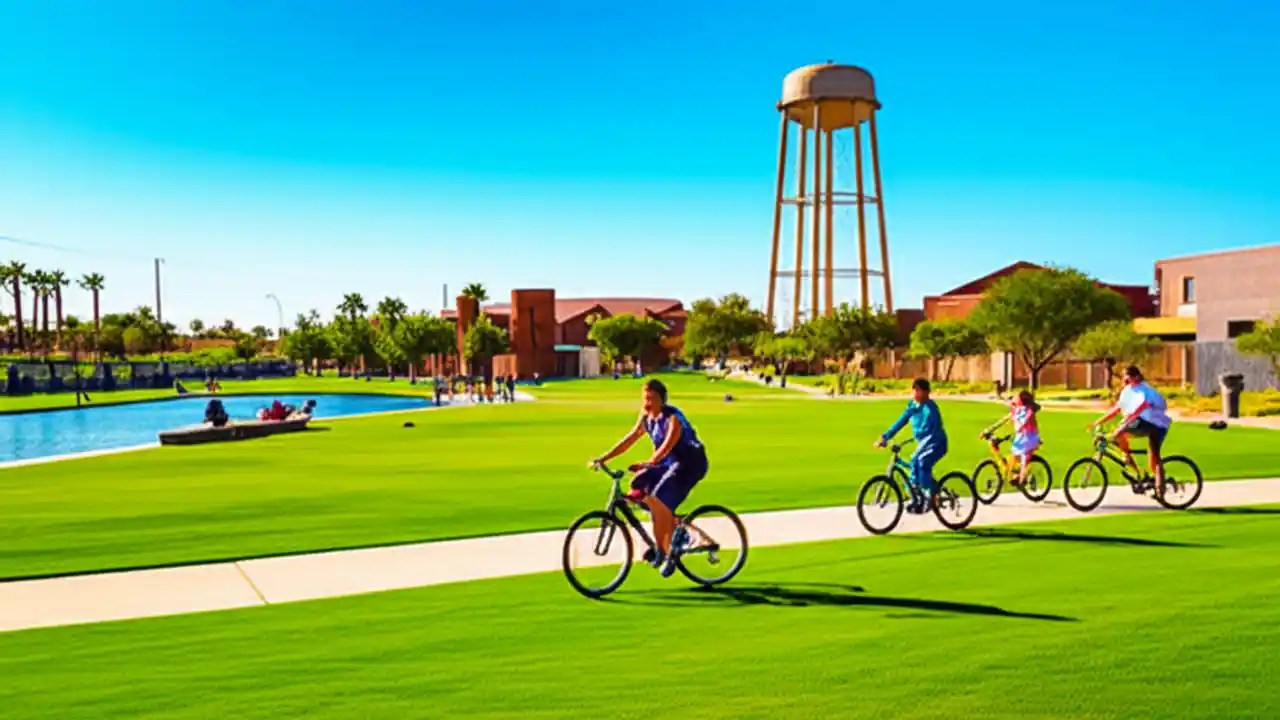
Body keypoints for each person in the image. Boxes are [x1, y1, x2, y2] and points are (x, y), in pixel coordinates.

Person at [590, 378, 709, 578]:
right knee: (639, 484)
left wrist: (650, 461)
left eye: (651, 398)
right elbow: (630, 439)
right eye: (644, 397)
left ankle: (666, 553)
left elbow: (668, 445)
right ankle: (676, 529)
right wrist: (604, 458)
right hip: (668, 464)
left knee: (658, 498)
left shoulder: (673, 418)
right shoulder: (647, 417)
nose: (647, 402)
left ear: (662, 400)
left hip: (690, 465)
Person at [1091, 365, 1173, 494]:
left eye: (1128, 377)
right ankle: (1131, 464)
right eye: (1124, 377)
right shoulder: (1127, 391)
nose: (1125, 380)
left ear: (1137, 377)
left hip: (1155, 425)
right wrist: (1098, 421)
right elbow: (1117, 408)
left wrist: (1122, 427)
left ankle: (1160, 489)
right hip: (1139, 422)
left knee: (1154, 459)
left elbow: (1137, 412)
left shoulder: (1146, 391)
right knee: (1119, 434)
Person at [875, 378, 948, 514]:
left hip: (937, 443)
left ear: (925, 392)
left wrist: (919, 440)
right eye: (914, 390)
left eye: (918, 391)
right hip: (924, 443)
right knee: (916, 464)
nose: (915, 393)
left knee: (920, 461)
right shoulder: (913, 406)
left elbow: (931, 432)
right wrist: (885, 436)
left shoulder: (930, 409)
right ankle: (917, 496)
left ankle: (929, 497)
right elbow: (901, 421)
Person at [981, 389, 1041, 486]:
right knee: (1012, 457)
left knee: (1019, 454)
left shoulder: (1029, 413)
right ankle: (1015, 473)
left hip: (1029, 438)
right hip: (1020, 437)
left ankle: (1022, 477)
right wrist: (988, 430)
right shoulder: (1016, 412)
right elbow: (1002, 421)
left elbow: (1026, 422)